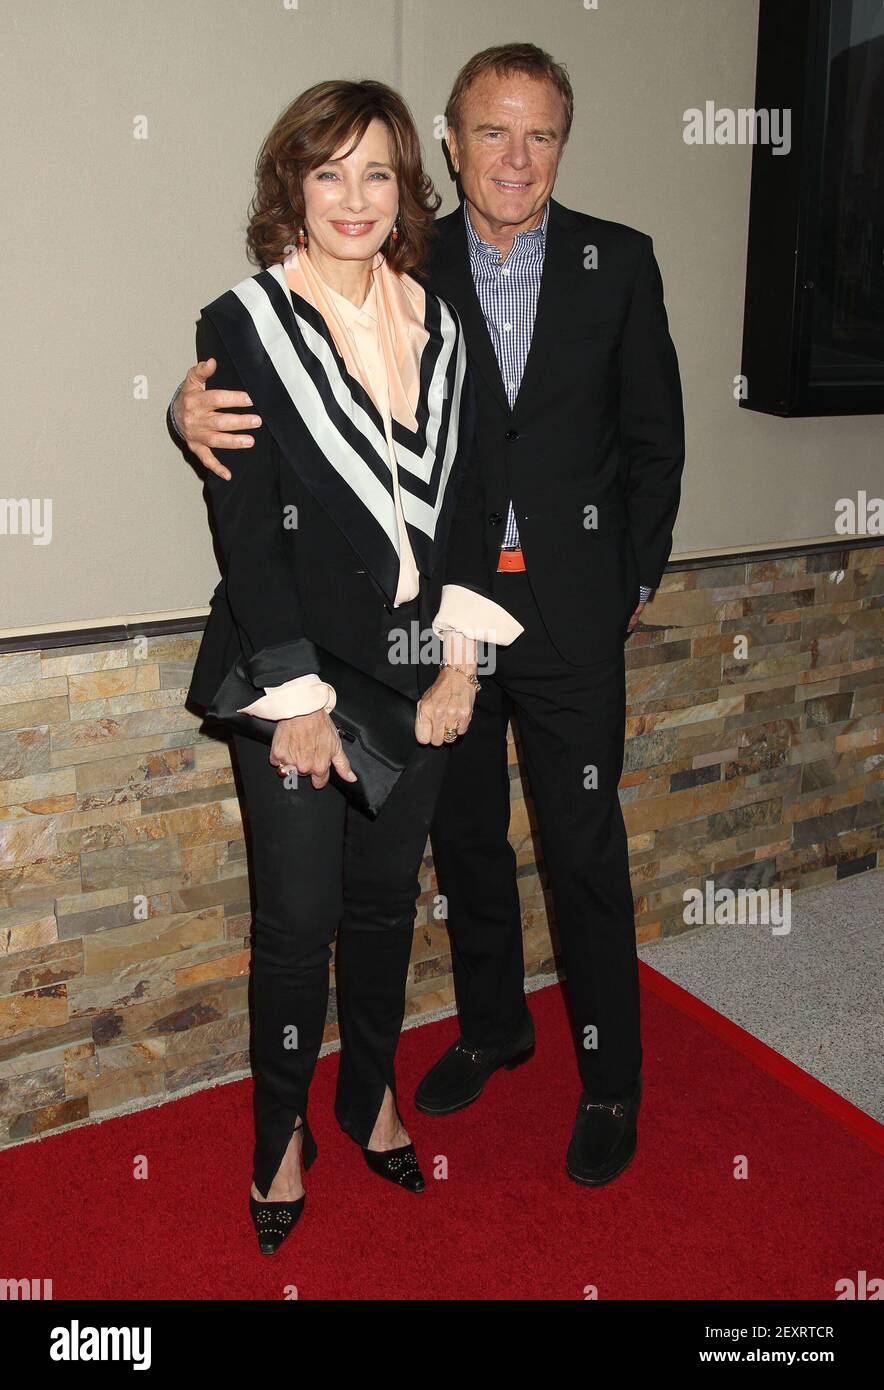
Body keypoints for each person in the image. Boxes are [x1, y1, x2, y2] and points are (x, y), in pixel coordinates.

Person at [170, 43, 685, 1189]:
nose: (514, 156)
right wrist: (186, 404)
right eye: (490, 132)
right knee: (460, 846)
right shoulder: (412, 252)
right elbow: (280, 363)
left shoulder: (616, 262)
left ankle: (607, 1080)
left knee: (581, 844)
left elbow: (655, 436)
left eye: (539, 133)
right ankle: (494, 1028)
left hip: (558, 616)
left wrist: (632, 580)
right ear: (449, 146)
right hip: (414, 633)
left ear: (561, 143)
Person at [175, 78, 522, 1254]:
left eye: (376, 171)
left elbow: (474, 511)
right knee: (300, 917)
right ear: (293, 188)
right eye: (329, 172)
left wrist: (459, 666)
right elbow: (244, 528)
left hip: (418, 665)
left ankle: (366, 1090)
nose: (354, 197)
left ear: (404, 188)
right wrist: (300, 702)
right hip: (294, 676)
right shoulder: (243, 324)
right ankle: (279, 1133)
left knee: (382, 909)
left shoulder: (445, 322)